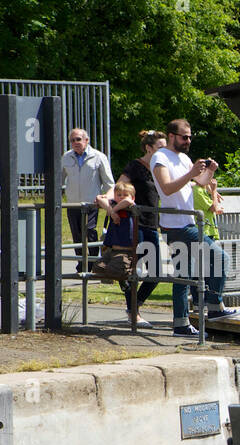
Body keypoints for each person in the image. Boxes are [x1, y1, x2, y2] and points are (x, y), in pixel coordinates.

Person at [152, 119, 219, 335]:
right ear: (172, 136)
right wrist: (191, 174)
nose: (188, 140)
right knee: (218, 256)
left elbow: (199, 182)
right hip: (176, 225)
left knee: (184, 276)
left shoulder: (184, 158)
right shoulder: (160, 157)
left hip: (187, 221)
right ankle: (215, 307)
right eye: (184, 136)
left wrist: (210, 172)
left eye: (190, 136)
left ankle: (180, 324)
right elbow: (167, 188)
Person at [98, 129, 166, 326]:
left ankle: (134, 307)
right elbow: (118, 189)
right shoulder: (136, 166)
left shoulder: (161, 168)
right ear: (148, 148)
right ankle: (133, 313)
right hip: (135, 225)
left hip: (152, 224)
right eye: (160, 148)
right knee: (129, 269)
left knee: (155, 274)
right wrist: (110, 206)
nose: (164, 152)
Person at [61, 128, 115, 271]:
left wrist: (106, 199)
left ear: (86, 140)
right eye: (72, 140)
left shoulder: (98, 157)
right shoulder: (66, 157)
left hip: (91, 204)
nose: (75, 143)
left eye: (78, 139)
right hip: (72, 204)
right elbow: (57, 180)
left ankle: (91, 262)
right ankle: (81, 263)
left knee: (89, 232)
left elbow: (110, 184)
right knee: (77, 235)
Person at [191, 166, 238, 319]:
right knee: (216, 264)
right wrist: (213, 192)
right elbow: (216, 208)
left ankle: (201, 304)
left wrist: (213, 193)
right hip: (203, 234)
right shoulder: (197, 191)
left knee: (202, 270)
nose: (209, 177)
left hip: (207, 232)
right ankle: (214, 305)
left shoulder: (200, 190)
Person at [89, 182, 137, 285]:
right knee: (98, 268)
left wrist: (113, 211)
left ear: (133, 197)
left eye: (125, 194)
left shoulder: (131, 207)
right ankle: (121, 276)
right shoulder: (113, 204)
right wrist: (112, 212)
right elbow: (99, 198)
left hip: (126, 250)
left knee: (114, 270)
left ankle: (129, 275)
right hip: (112, 249)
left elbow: (127, 201)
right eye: (119, 195)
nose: (122, 197)